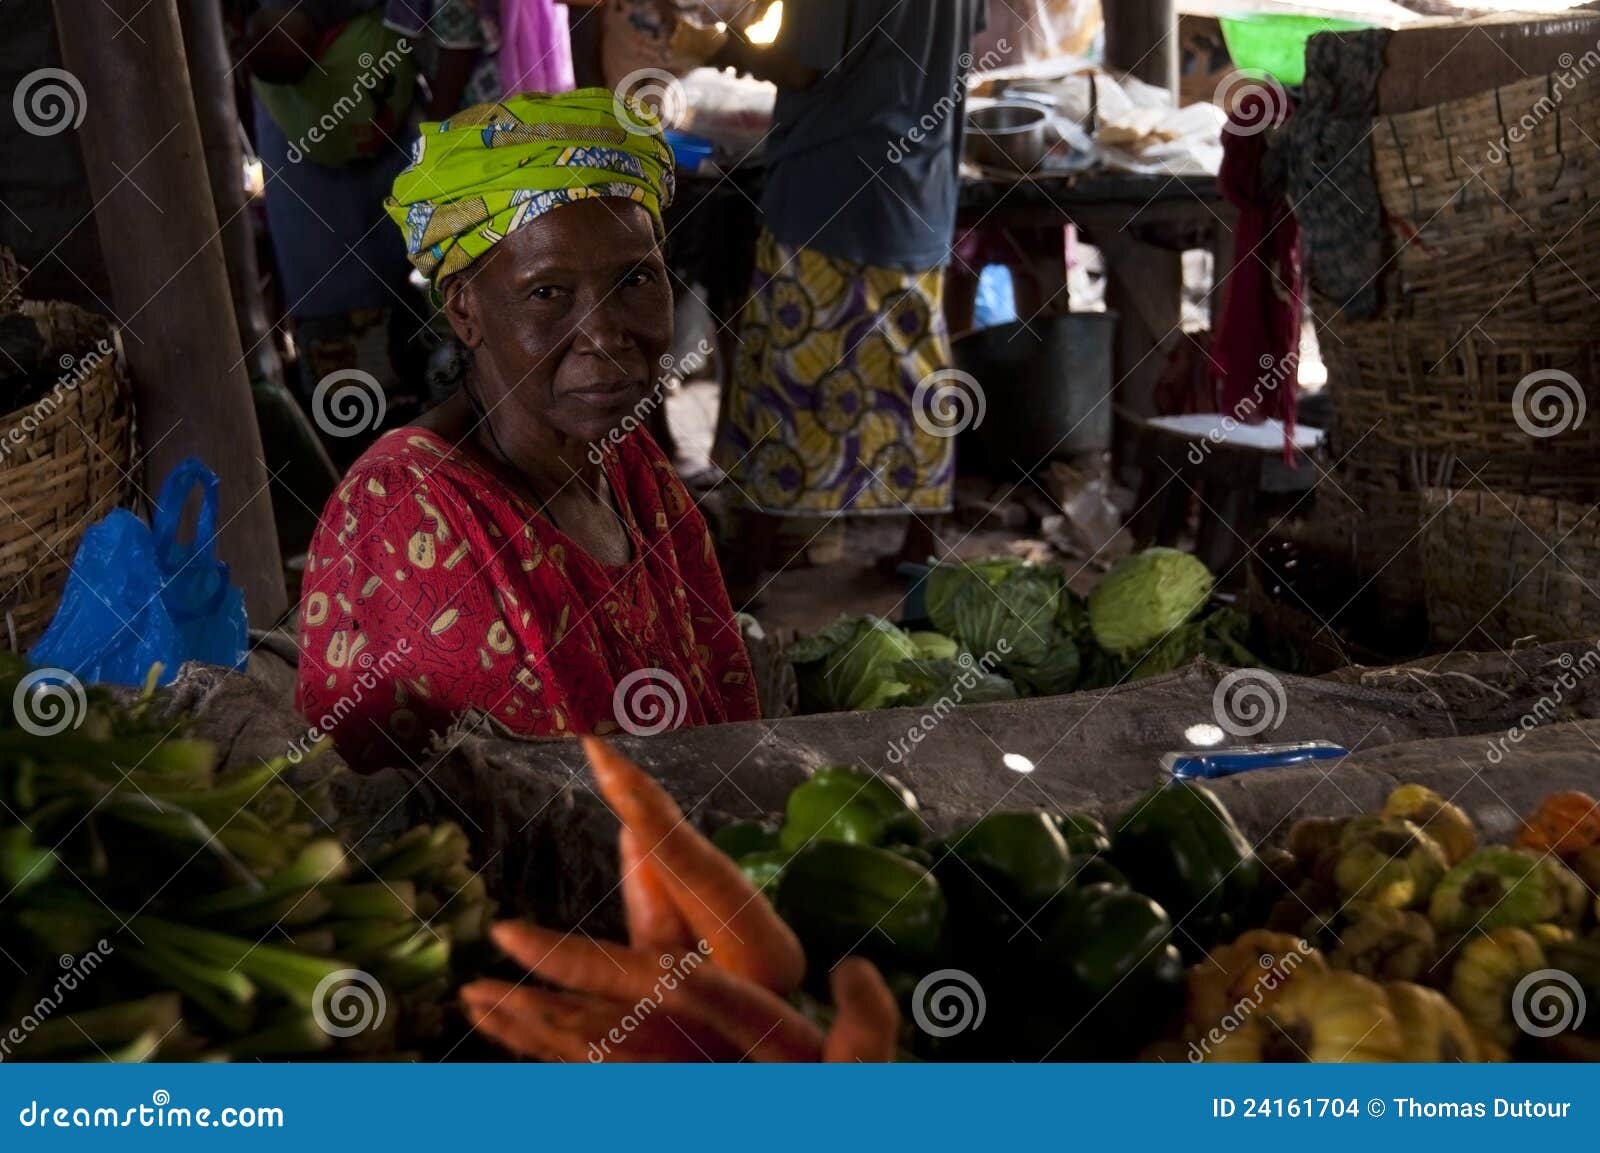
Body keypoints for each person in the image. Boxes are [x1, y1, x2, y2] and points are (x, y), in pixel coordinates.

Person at [295, 90, 760, 767]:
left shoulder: (631, 465)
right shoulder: (409, 509)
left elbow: (722, 715)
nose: (605, 337)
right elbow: (521, 807)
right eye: (547, 292)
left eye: (635, 280)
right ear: (465, 311)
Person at [691, 0, 988, 592]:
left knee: (790, 369)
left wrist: (722, 47)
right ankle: (917, 546)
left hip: (832, 187)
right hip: (918, 189)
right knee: (910, 371)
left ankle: (752, 561)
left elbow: (803, 67)